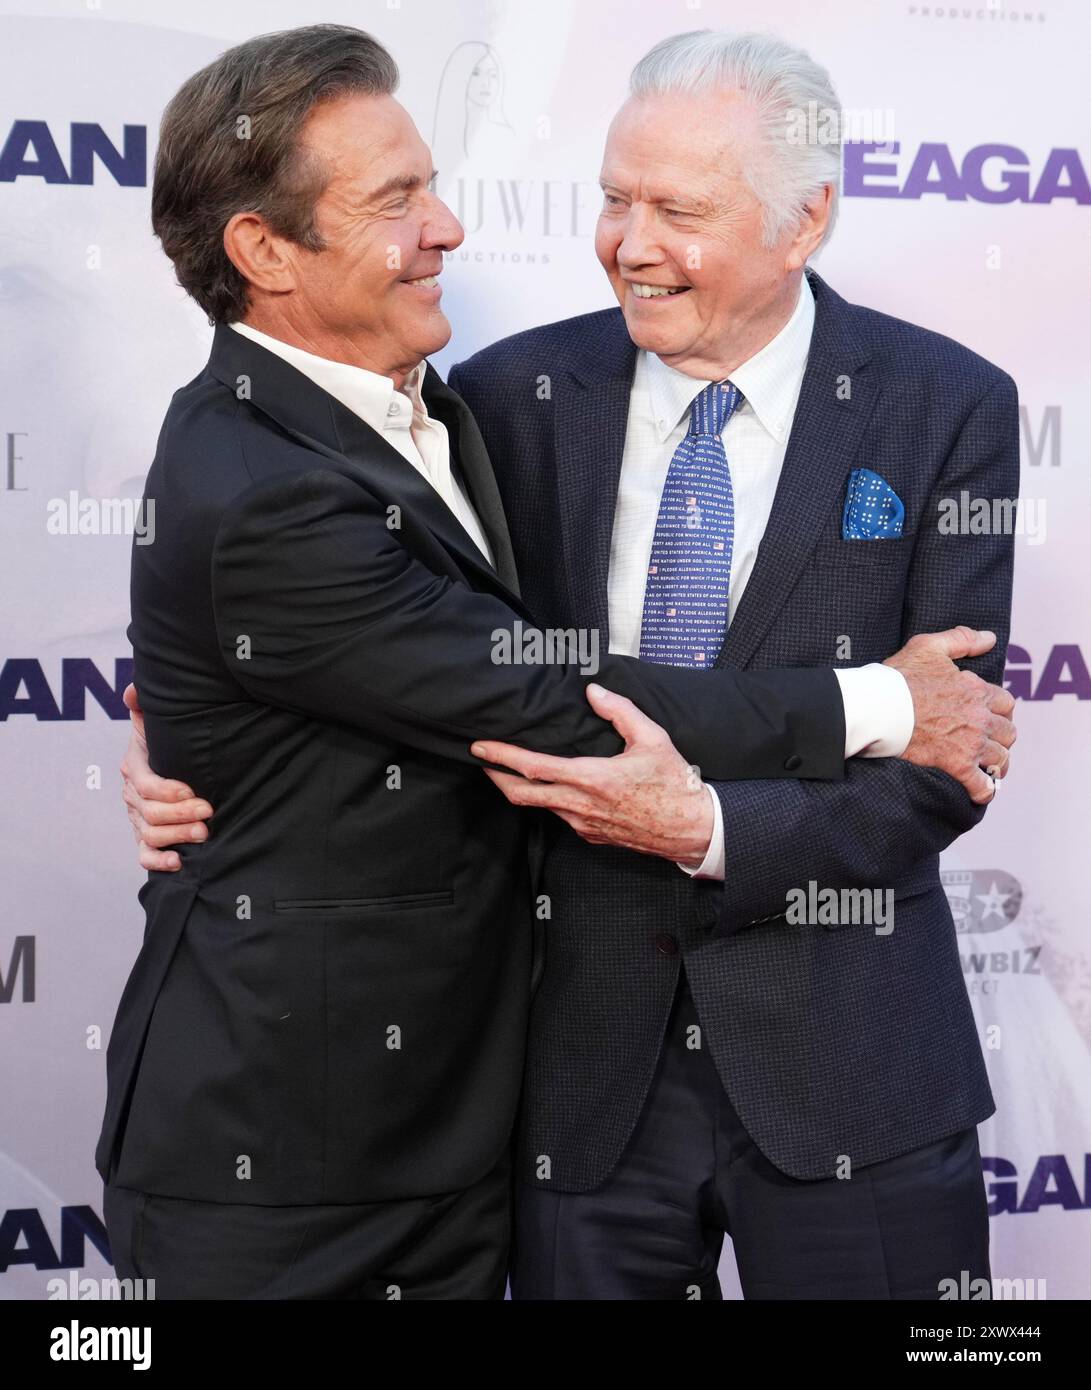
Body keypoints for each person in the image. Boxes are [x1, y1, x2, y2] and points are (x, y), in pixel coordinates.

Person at [114, 26, 1017, 1299]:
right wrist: (197, 741)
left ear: (803, 219)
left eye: (677, 209)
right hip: (568, 1075)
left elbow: (947, 752)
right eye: (612, 197)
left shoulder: (947, 408)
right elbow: (440, 660)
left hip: (853, 1057)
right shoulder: (505, 398)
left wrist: (702, 829)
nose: (628, 243)